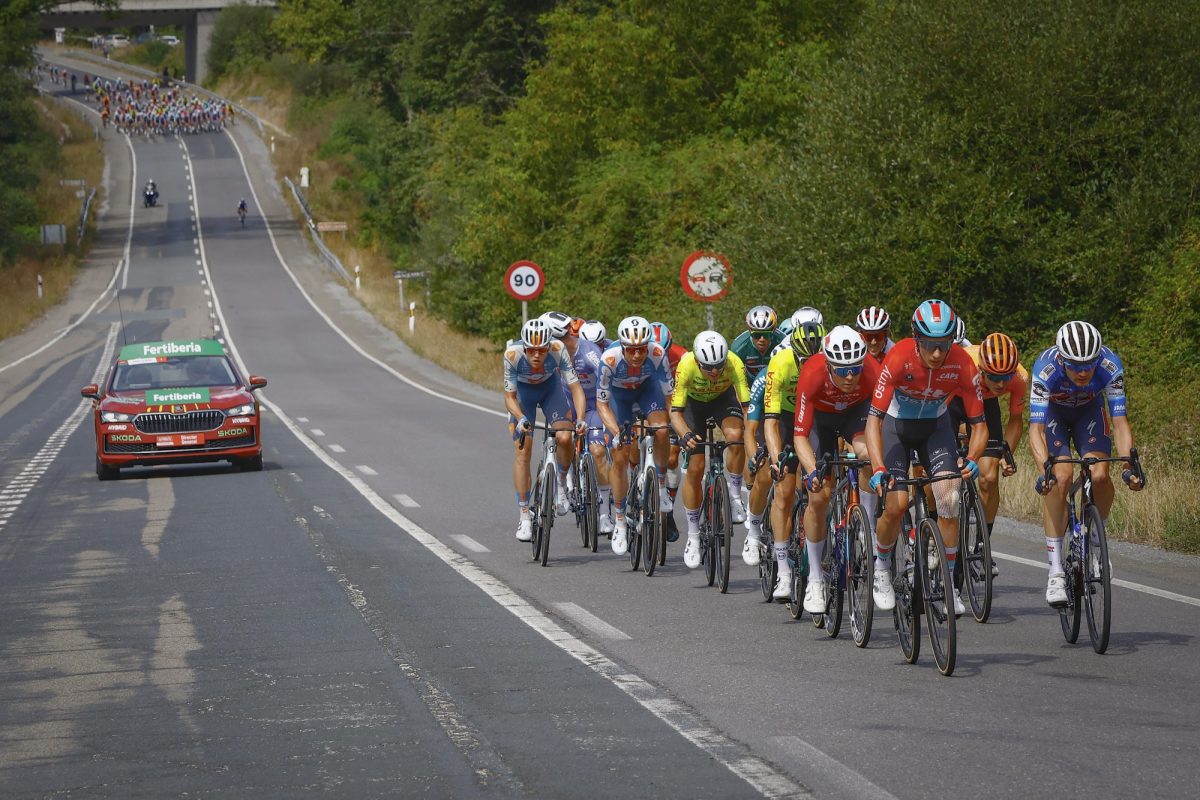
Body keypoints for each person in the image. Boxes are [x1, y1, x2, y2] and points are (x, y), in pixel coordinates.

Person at [865, 299, 987, 617]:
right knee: (897, 504)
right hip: (897, 427)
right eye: (930, 345)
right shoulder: (898, 358)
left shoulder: (962, 363)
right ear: (917, 339)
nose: (937, 353)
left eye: (944, 344)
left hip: (936, 427)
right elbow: (874, 420)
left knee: (948, 498)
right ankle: (881, 568)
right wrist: (878, 467)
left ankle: (948, 585)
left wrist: (973, 457)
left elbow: (979, 425)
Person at [1029, 320, 1144, 607]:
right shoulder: (1046, 369)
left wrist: (1130, 466)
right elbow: (1036, 430)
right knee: (1063, 476)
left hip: (1089, 413)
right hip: (1054, 415)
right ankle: (1055, 571)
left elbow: (1119, 423)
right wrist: (1046, 470)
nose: (1083, 371)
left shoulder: (1110, 365)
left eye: (1088, 365)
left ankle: (1094, 543)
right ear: (1061, 358)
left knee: (1101, 475)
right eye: (1075, 365)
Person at [792, 326, 881, 611]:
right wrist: (811, 471)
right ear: (829, 364)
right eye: (842, 371)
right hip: (822, 423)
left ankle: (866, 527)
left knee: (867, 455)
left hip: (856, 416)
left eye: (855, 368)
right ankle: (815, 578)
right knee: (819, 496)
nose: (851, 376)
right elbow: (800, 435)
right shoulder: (812, 373)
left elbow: (884, 421)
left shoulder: (872, 371)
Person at [670, 331, 750, 568]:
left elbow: (746, 408)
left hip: (722, 400)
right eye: (708, 367)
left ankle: (735, 497)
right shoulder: (685, 366)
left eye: (718, 366)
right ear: (697, 361)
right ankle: (693, 534)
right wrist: (684, 434)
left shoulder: (734, 362)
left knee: (736, 437)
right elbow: (676, 413)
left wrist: (751, 433)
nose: (715, 372)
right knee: (695, 468)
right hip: (694, 406)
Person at [504, 318, 587, 542]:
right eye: (532, 350)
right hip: (523, 396)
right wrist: (520, 417)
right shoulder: (512, 355)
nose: (537, 355)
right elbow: (509, 397)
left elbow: (575, 387)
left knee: (565, 436)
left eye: (542, 350)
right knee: (523, 452)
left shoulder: (558, 349)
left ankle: (560, 483)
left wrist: (580, 418)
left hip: (551, 390)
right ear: (524, 347)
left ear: (549, 346)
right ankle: (524, 516)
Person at [597, 316, 674, 555]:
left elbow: (670, 397)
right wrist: (616, 431)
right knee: (619, 457)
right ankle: (619, 519)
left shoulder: (658, 353)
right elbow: (601, 404)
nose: (638, 355)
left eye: (642, 349)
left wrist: (675, 426)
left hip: (647, 391)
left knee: (661, 431)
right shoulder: (609, 360)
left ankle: (660, 485)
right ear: (622, 347)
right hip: (619, 399)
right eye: (632, 350)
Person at [963, 332, 1028, 574]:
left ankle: (982, 545)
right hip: (957, 398)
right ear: (982, 368)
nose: (1001, 384)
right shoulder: (965, 364)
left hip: (985, 403)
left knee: (989, 478)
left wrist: (1005, 453)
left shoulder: (1019, 377)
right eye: (993, 376)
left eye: (1005, 377)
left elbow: (1015, 420)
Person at [544, 312, 614, 527]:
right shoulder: (548, 353)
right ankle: (562, 481)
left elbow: (607, 376)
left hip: (593, 406)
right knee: (563, 440)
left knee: (598, 451)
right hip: (565, 405)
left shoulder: (588, 351)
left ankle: (604, 515)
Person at [650, 321, 687, 541]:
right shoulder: (638, 355)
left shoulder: (682, 356)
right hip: (644, 402)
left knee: (672, 457)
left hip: (673, 404)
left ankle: (668, 509)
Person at [730, 306, 783, 382]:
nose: (762, 339)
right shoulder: (738, 347)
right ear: (750, 331)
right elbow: (735, 379)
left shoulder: (783, 341)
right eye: (757, 335)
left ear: (774, 331)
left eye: (766, 335)